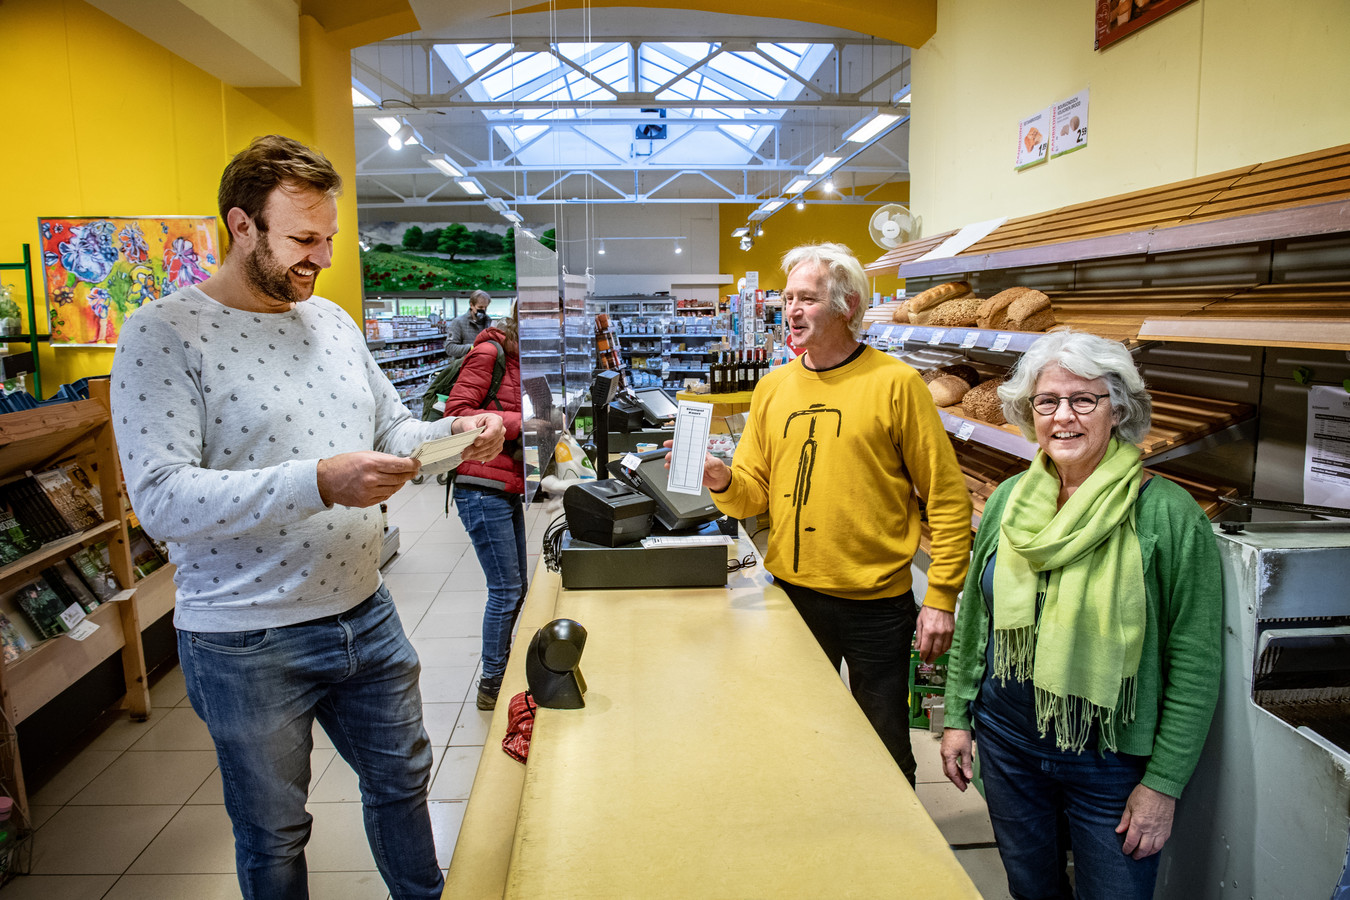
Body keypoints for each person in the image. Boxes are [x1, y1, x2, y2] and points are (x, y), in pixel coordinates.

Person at [109, 134, 506, 900]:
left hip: (366, 614)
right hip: (245, 638)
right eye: (302, 239)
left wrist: (452, 434)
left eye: (327, 238)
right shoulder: (163, 334)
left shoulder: (331, 322)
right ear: (242, 225)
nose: (321, 257)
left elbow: (390, 429)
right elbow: (160, 499)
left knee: (404, 786)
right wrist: (318, 482)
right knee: (275, 832)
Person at [938, 330, 1222, 900]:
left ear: (1118, 410)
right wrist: (958, 714)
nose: (1063, 417)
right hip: (1008, 742)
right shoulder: (1009, 499)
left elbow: (1194, 658)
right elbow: (977, 622)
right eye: (1047, 402)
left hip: (1110, 761)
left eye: (1083, 400)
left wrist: (1163, 784)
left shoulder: (1166, 514)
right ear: (1029, 412)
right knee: (1031, 889)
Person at [677, 242, 972, 786]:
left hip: (877, 603)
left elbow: (947, 499)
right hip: (794, 593)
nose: (791, 309)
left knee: (883, 745)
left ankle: (889, 850)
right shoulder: (772, 388)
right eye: (788, 298)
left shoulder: (897, 385)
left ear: (848, 306)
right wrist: (720, 482)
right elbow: (752, 496)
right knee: (794, 732)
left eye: (807, 299)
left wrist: (942, 595)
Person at [443, 306, 527, 711]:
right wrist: (522, 422)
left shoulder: (520, 357)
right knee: (505, 589)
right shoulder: (489, 353)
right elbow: (456, 414)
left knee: (518, 587)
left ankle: (505, 669)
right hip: (481, 485)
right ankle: (492, 682)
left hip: (506, 480)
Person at [444, 289, 492, 359]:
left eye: (486, 307)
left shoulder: (488, 322)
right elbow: (450, 348)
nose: (483, 310)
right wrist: (473, 348)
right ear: (471, 305)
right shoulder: (458, 322)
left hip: (484, 366)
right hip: (464, 366)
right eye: (480, 307)